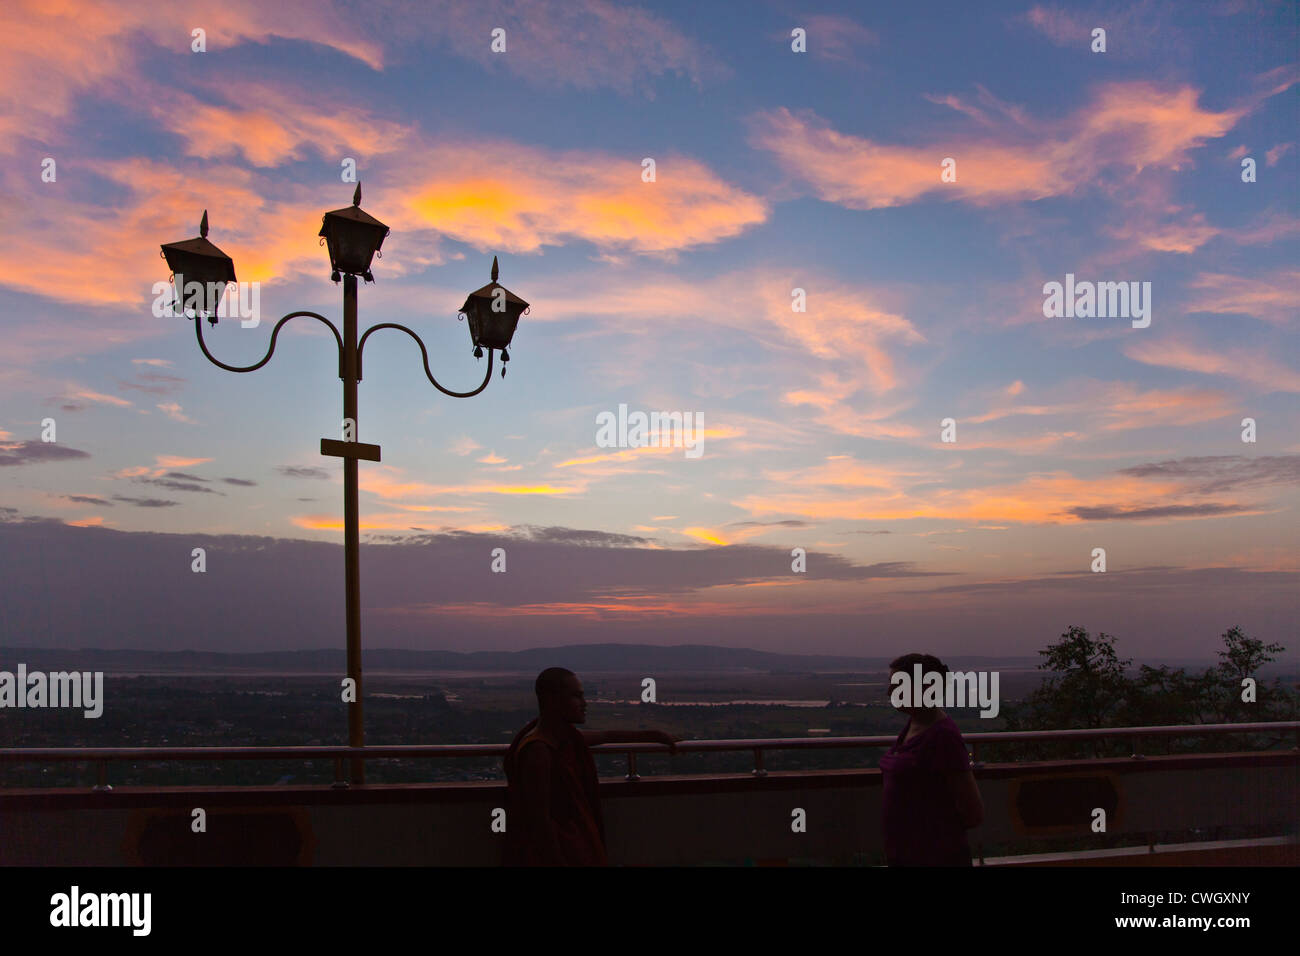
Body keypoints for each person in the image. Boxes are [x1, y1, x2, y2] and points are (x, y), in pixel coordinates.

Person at [503, 667, 678, 866]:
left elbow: (607, 736)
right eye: (576, 697)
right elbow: (539, 821)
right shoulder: (539, 751)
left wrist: (653, 735)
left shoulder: (563, 738)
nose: (584, 704)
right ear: (551, 700)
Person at [878, 653, 984, 866]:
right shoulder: (914, 726)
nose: (889, 691)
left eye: (898, 684)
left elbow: (973, 812)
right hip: (906, 854)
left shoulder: (943, 736)